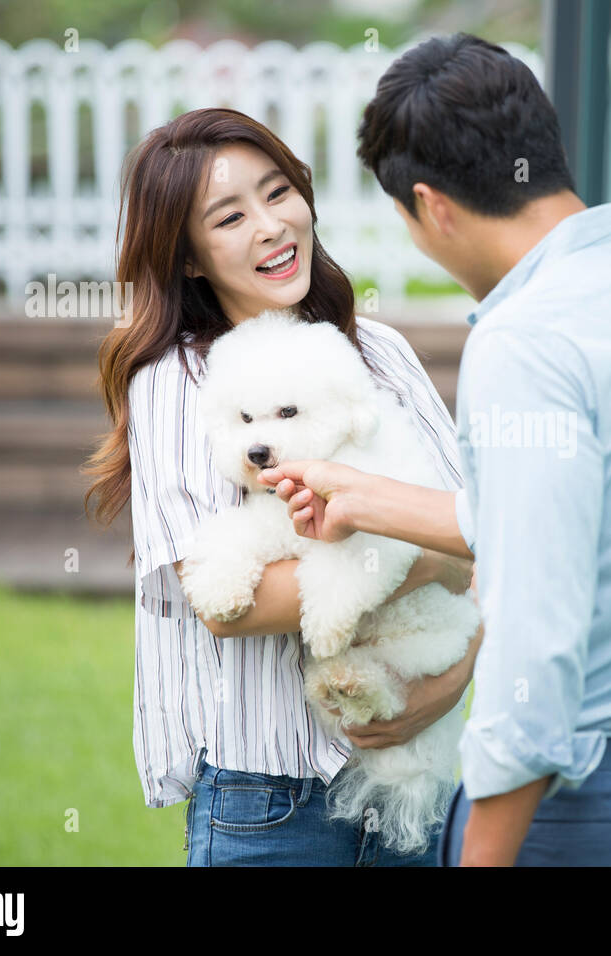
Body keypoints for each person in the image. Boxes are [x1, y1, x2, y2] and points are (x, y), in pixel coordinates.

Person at [259, 33, 611, 866]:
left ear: (431, 206)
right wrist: (364, 498)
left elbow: (536, 635)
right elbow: (609, 522)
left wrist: (486, 851)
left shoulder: (525, 339)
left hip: (583, 809)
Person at [84, 107, 478, 866]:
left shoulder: (382, 355)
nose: (270, 225)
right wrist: (420, 556)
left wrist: (450, 677)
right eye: (230, 216)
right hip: (271, 808)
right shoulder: (177, 383)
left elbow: (488, 539)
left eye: (278, 193)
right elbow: (228, 608)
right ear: (190, 256)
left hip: (416, 788)